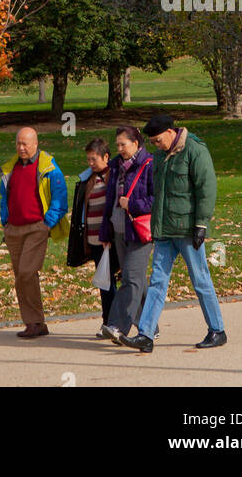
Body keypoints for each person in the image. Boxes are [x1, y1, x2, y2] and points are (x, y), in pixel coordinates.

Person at [122, 113, 227, 352]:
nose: (155, 145)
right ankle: (146, 335)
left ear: (170, 132)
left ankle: (217, 330)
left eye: (158, 140)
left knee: (200, 279)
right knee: (158, 280)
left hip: (188, 230)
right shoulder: (160, 156)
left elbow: (206, 188)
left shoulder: (195, 150)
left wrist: (201, 224)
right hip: (165, 230)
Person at [0, 126, 68, 339]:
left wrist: (48, 223)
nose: (21, 148)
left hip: (37, 227)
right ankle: (34, 323)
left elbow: (59, 198)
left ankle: (36, 321)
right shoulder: (11, 169)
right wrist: (5, 222)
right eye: (18, 143)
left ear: (35, 145)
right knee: (21, 277)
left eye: (25, 144)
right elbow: (4, 196)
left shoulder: (48, 168)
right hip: (14, 229)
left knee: (28, 272)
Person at [98, 125, 155, 344]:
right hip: (119, 230)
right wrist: (106, 230)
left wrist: (133, 204)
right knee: (137, 279)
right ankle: (150, 326)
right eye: (118, 144)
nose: (120, 148)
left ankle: (116, 325)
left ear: (136, 143)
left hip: (140, 231)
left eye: (124, 144)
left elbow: (156, 199)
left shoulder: (150, 165)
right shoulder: (116, 167)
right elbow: (110, 202)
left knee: (130, 279)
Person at [68, 136, 119, 335]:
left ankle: (133, 323)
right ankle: (108, 322)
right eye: (88, 159)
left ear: (106, 157)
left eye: (94, 159)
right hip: (94, 240)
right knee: (105, 283)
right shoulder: (88, 179)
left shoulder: (113, 176)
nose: (90, 163)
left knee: (122, 282)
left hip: (112, 239)